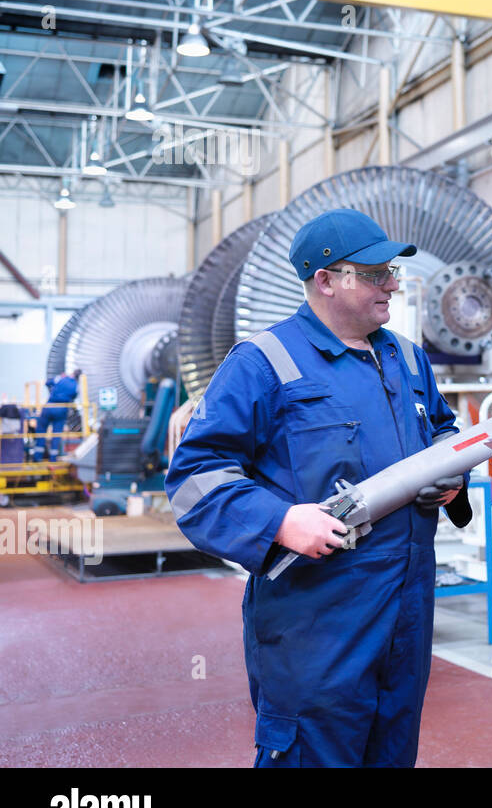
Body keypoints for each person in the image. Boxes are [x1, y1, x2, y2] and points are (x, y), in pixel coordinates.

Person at [166, 208, 471, 768]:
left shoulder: (407, 357)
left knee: (392, 752)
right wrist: (280, 521)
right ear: (326, 280)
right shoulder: (264, 363)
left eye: (392, 272)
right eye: (377, 273)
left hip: (405, 614)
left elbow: (444, 431)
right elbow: (194, 477)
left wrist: (451, 477)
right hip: (316, 626)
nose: (394, 285)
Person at [33, 369, 79, 461]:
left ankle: (37, 457)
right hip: (62, 409)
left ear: (72, 373)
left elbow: (47, 383)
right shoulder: (77, 386)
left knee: (41, 431)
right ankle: (53, 458)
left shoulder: (60, 378)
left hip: (50, 406)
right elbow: (74, 396)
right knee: (56, 434)